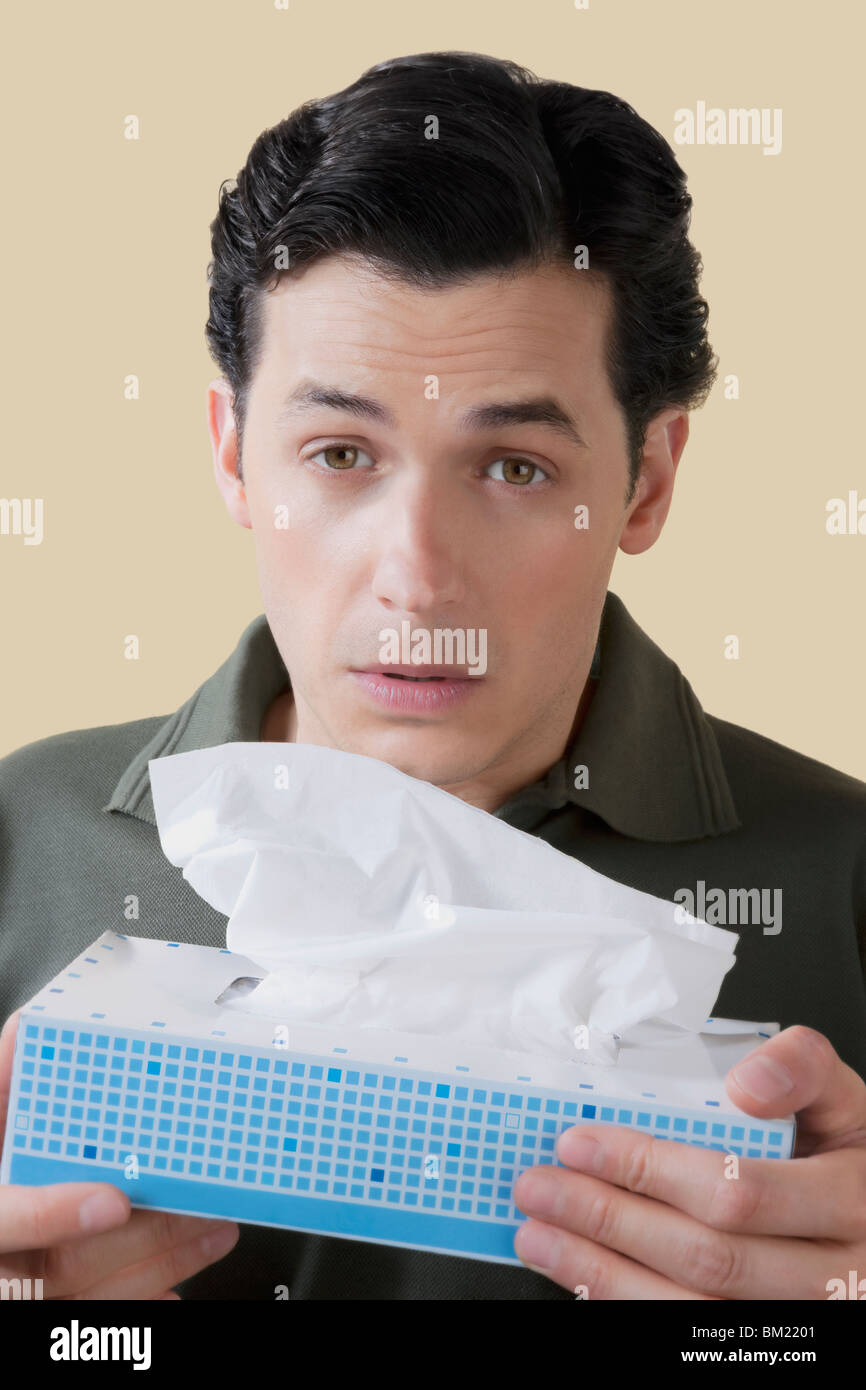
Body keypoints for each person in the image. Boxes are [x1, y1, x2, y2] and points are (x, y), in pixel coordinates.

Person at [1, 51, 864, 1302]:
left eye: (512, 465)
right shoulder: (21, 842)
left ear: (647, 479)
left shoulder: (841, 883)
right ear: (235, 459)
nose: (414, 577)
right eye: (340, 451)